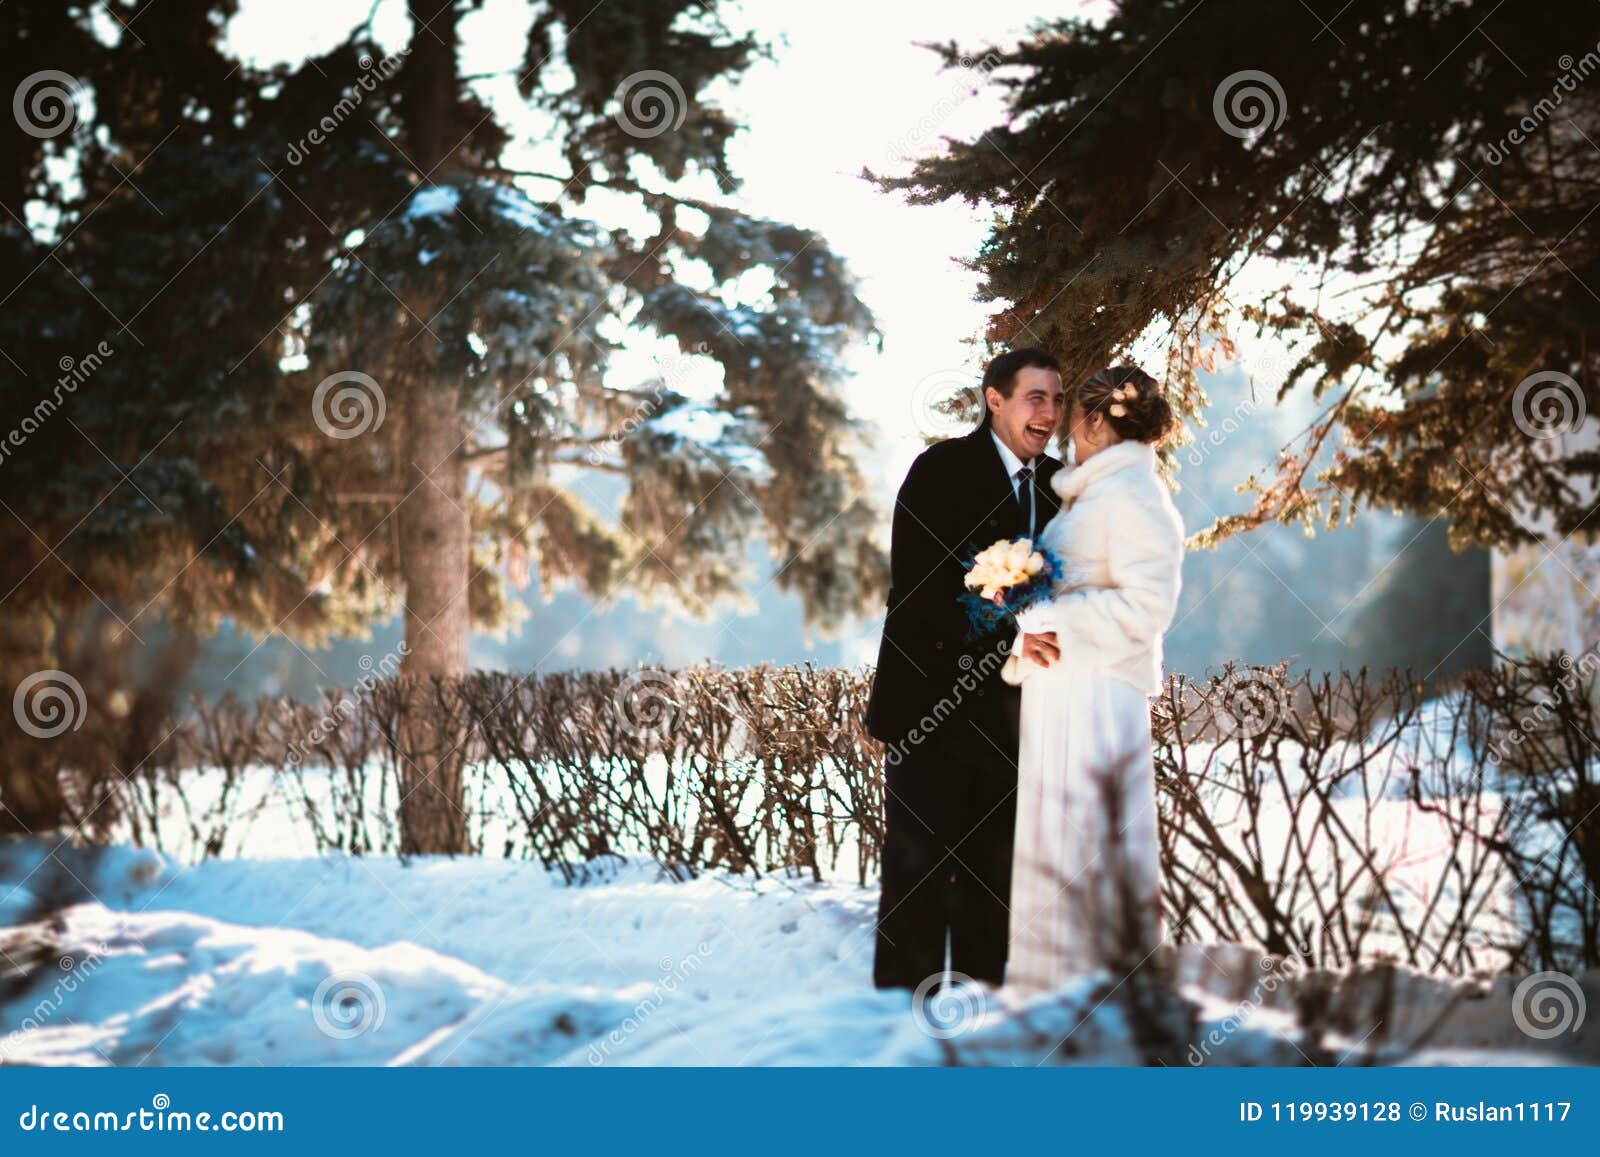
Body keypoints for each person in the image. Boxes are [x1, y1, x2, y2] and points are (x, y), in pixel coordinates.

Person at [866, 347, 1065, 991]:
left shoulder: (1060, 488)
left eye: (1058, 400)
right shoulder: (941, 471)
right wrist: (1010, 634)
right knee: (918, 870)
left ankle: (981, 1019)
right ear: (994, 400)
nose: (1050, 412)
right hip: (929, 704)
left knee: (994, 876)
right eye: (1036, 397)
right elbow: (919, 589)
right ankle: (897, 1018)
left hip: (1015, 716)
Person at [998, 365, 1185, 994]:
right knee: (1056, 840)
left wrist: (1057, 618)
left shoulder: (1133, 496)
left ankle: (1105, 990)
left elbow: (1148, 607)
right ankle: (1049, 991)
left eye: (1076, 414)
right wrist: (1025, 630)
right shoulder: (1092, 497)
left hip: (1103, 697)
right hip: (1061, 694)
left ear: (1100, 423)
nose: (1064, 428)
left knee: (1093, 838)